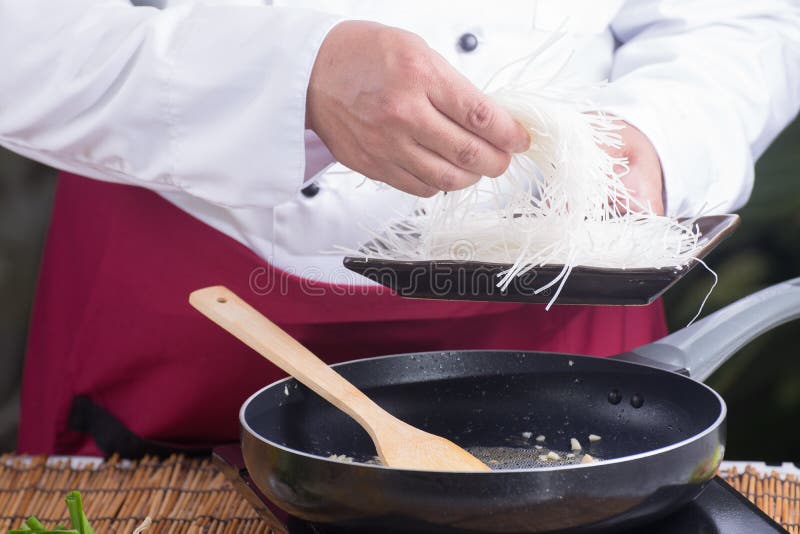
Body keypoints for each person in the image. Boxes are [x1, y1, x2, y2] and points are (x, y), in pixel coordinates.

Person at [1, 1, 798, 457]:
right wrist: (289, 82)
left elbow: (742, 19)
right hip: (190, 281)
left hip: (564, 286)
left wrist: (660, 134)